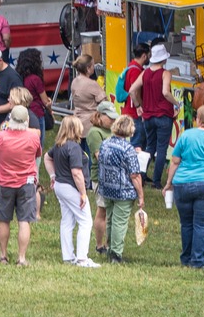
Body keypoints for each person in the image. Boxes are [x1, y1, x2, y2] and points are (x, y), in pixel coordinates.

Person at [167, 103, 204, 268]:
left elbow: (175, 161)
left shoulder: (185, 136)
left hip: (182, 182)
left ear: (198, 119)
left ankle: (186, 258)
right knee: (202, 225)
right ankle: (197, 261)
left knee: (186, 223)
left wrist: (169, 183)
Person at [0, 103, 45, 265]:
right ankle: (21, 258)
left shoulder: (0, 136)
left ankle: (3, 256)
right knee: (24, 221)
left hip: (5, 182)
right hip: (26, 183)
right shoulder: (33, 137)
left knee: (4, 220)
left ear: (10, 119)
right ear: (27, 120)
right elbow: (38, 154)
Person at [49, 115, 100, 268]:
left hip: (60, 185)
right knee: (85, 221)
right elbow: (77, 173)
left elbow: (47, 157)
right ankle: (82, 258)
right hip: (71, 187)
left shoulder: (59, 145)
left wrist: (52, 175)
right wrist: (83, 193)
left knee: (67, 220)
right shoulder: (74, 147)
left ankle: (68, 256)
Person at [94, 116, 145, 263]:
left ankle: (110, 248)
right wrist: (141, 195)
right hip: (123, 191)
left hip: (107, 188)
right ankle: (116, 254)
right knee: (119, 223)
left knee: (110, 219)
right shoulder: (127, 149)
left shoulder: (105, 144)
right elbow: (135, 175)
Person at [128, 42, 177, 185]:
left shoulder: (145, 73)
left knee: (150, 147)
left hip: (148, 116)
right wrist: (176, 103)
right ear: (164, 59)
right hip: (163, 115)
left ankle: (141, 176)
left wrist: (138, 105)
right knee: (161, 149)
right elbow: (165, 92)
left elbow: (132, 90)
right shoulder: (165, 73)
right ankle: (156, 181)